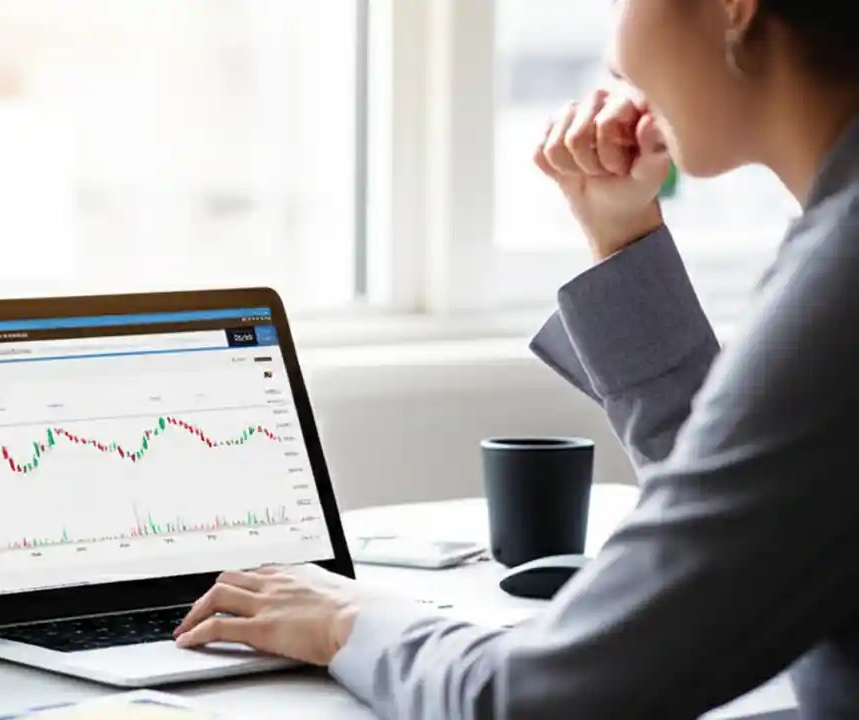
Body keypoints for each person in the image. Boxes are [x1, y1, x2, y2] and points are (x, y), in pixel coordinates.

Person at [172, 0, 859, 717]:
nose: (615, 60)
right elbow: (752, 535)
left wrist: (347, 619)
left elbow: (532, 702)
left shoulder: (843, 280)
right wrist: (621, 237)